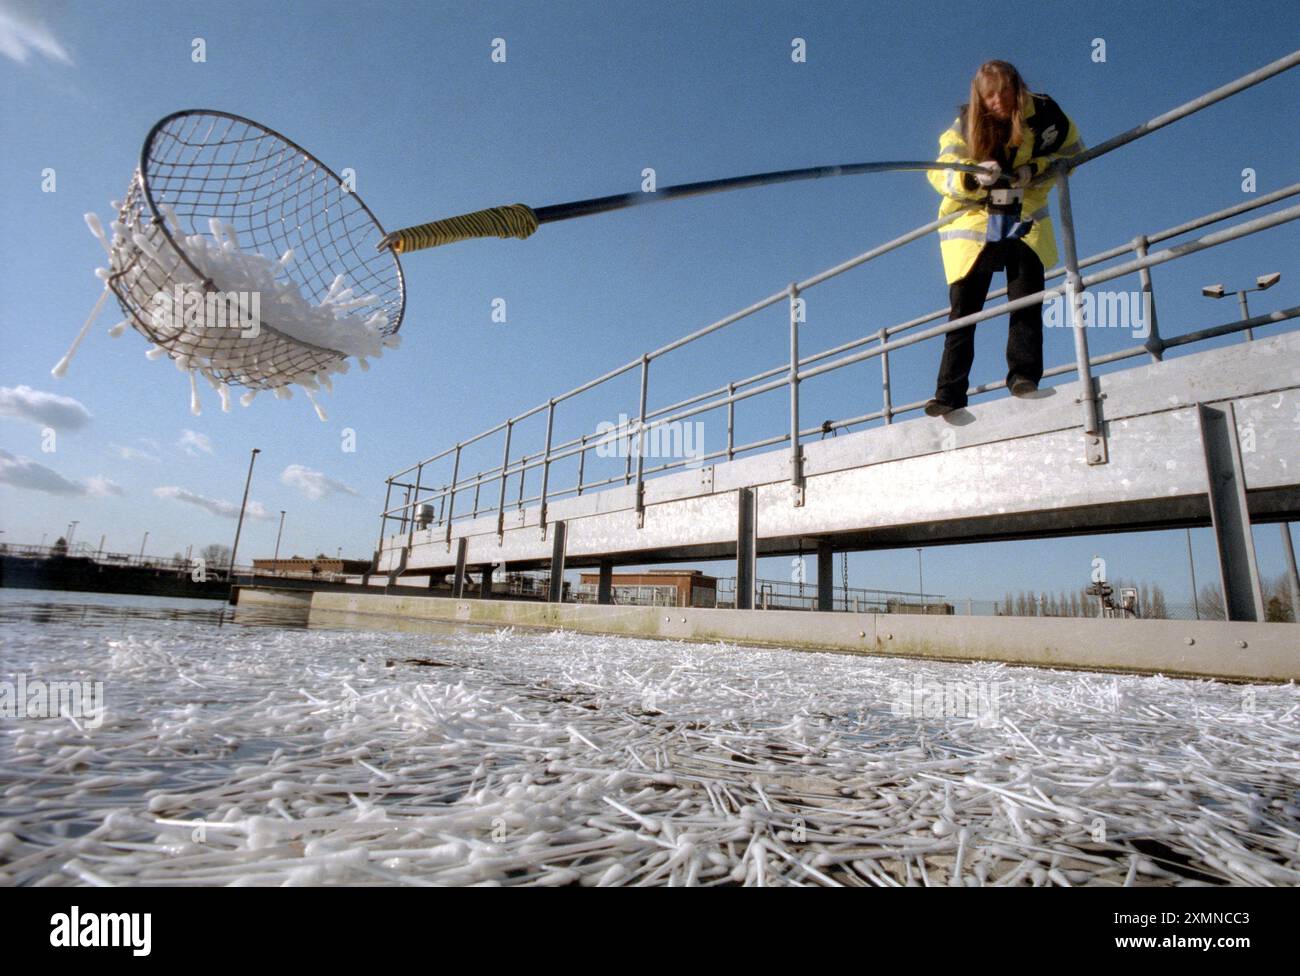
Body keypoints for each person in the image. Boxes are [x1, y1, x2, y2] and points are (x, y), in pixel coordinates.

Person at [924, 60, 1082, 416]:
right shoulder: (964, 126)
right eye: (988, 96)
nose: (997, 102)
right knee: (964, 309)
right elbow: (941, 173)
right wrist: (973, 177)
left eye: (1003, 92)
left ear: (1017, 87)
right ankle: (948, 393)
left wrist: (1034, 170)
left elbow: (1072, 154)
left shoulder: (1046, 116)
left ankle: (1023, 376)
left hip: (1024, 214)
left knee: (1026, 296)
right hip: (973, 222)